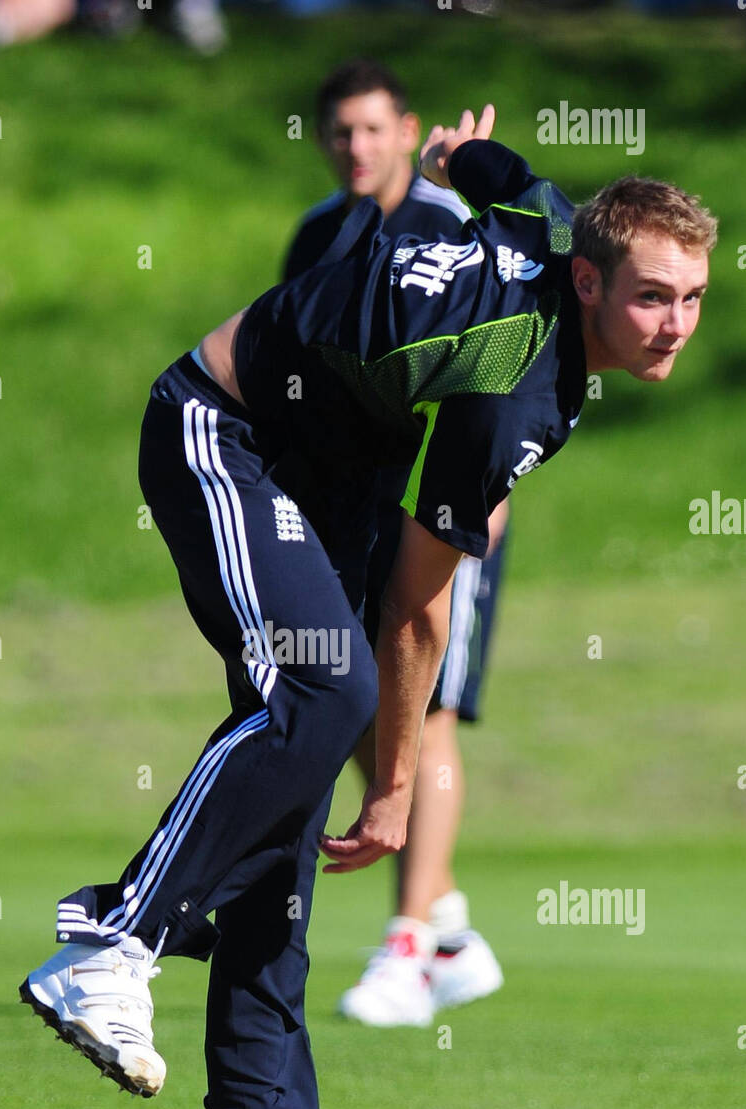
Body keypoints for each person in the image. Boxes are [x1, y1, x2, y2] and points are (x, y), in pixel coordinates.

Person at [20, 104, 715, 1109]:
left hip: (327, 475)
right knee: (324, 696)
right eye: (651, 295)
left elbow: (498, 173)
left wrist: (451, 155)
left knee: (290, 793)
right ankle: (110, 937)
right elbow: (418, 604)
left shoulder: (546, 222)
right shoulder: (516, 389)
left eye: (691, 298)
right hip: (223, 430)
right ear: (586, 282)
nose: (674, 324)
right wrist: (394, 783)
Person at [282, 58, 505, 1028]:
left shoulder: (446, 220)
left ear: (407, 131)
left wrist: (484, 503)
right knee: (376, 719)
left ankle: (410, 948)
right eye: (339, 131)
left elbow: (496, 367)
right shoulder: (320, 235)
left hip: (443, 507)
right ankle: (449, 923)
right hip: (355, 506)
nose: (356, 147)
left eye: (373, 129)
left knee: (433, 714)